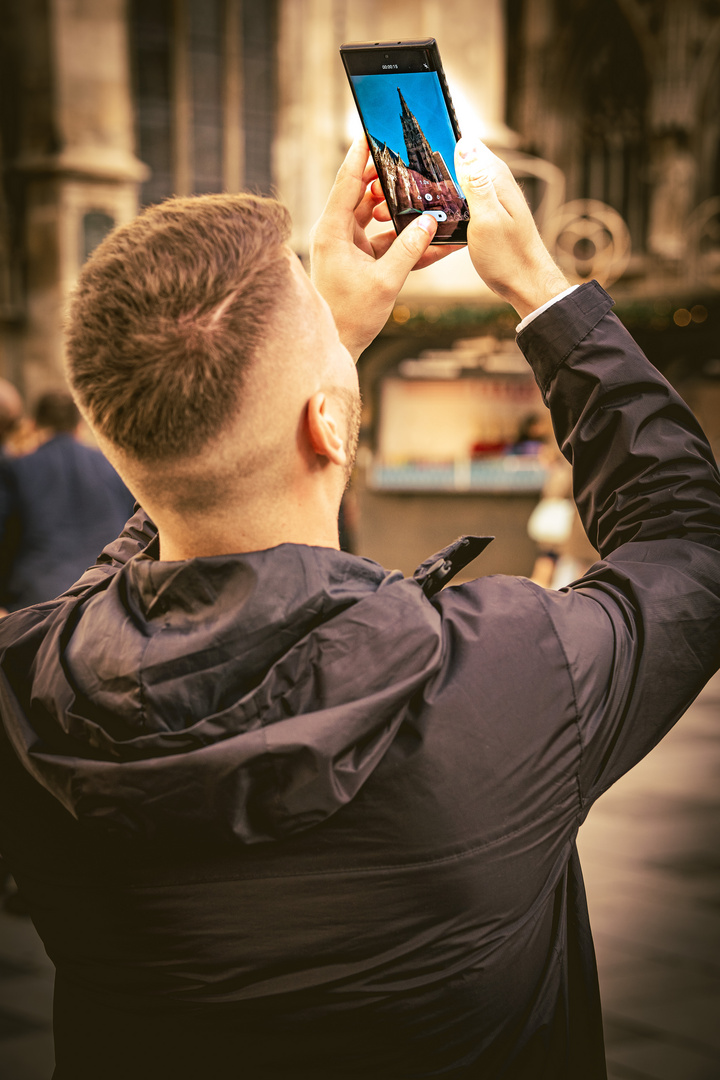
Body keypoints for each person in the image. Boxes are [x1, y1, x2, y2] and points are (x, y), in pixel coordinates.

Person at [0, 133, 718, 1080]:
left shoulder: (27, 686)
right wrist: (543, 291)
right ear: (332, 424)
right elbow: (689, 542)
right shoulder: (512, 675)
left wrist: (319, 346)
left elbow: (171, 495)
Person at [0, 389, 135, 612]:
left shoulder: (17, 470)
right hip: (108, 600)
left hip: (37, 607)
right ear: (79, 427)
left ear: (33, 425)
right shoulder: (114, 467)